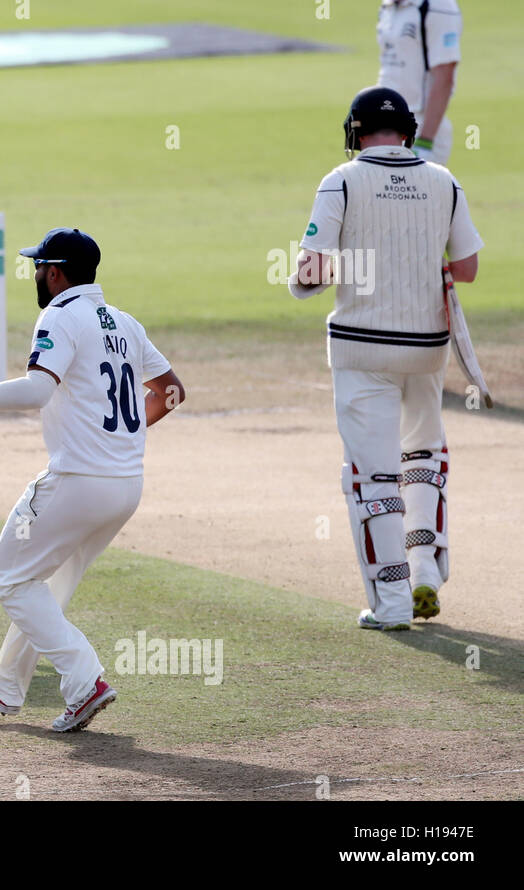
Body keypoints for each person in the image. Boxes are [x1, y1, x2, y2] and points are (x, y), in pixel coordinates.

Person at [0, 227, 184, 732]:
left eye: (38, 267)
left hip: (78, 482)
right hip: (125, 484)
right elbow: (171, 391)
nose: (36, 275)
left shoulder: (60, 314)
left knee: (11, 576)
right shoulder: (125, 322)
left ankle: (84, 680)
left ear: (55, 273)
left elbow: (39, 389)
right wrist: (121, 435)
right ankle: (6, 681)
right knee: (49, 583)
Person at [290, 86, 482, 629]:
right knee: (422, 455)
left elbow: (311, 270)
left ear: (355, 131)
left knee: (371, 476)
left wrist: (316, 275)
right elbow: (465, 268)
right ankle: (425, 568)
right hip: (427, 349)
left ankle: (392, 603)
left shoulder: (342, 180)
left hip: (361, 346)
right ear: (409, 130)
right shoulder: (443, 180)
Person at [376, 0, 462, 165]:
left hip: (418, 127)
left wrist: (425, 142)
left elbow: (445, 75)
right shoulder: (388, 5)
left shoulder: (438, 6)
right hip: (385, 125)